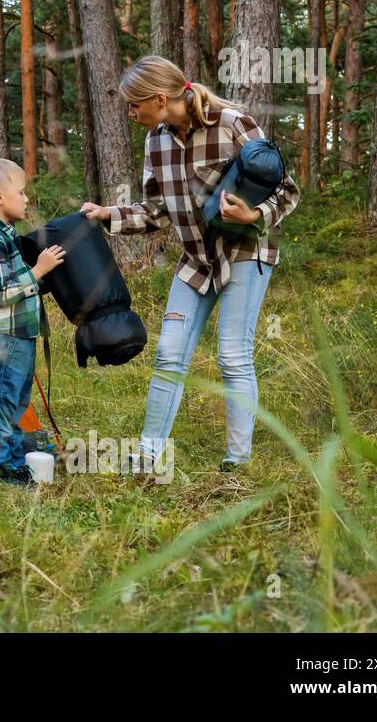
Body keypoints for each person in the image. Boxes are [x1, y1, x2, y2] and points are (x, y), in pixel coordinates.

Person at [80, 55, 300, 473]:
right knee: (169, 353)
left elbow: (287, 190)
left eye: (134, 105)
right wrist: (110, 214)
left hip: (246, 252)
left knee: (233, 357)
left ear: (160, 98)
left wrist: (254, 216)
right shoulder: (155, 141)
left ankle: (237, 463)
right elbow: (158, 209)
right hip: (196, 258)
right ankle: (148, 456)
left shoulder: (233, 122)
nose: (130, 113)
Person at [0, 156, 66, 484]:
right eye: (20, 192)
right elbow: (4, 291)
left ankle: (9, 458)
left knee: (15, 399)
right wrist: (39, 270)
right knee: (1, 401)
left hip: (19, 334)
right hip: (4, 336)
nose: (25, 199)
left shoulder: (5, 235)